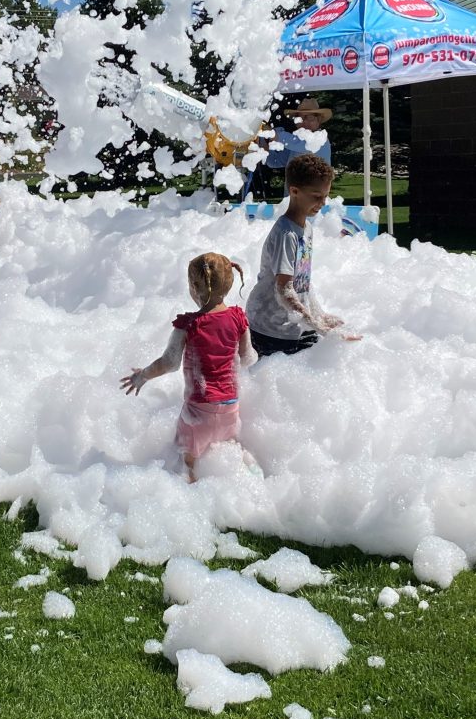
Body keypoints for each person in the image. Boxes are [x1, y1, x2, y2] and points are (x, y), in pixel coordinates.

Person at [121, 252, 257, 481]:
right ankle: (253, 477)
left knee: (187, 461)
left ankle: (190, 491)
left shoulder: (189, 325)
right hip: (230, 408)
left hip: (198, 412)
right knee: (230, 452)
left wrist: (142, 376)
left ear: (194, 287)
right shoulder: (237, 318)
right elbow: (246, 358)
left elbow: (169, 363)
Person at [245, 153, 355, 358]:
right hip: (270, 327)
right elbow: (284, 289)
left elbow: (302, 282)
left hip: (292, 322)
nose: (323, 202)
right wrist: (318, 326)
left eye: (325, 196)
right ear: (294, 191)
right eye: (316, 196)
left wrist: (320, 315)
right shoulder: (287, 235)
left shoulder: (306, 229)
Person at [250, 97, 333, 201]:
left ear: (319, 120)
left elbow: (292, 141)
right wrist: (262, 141)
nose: (304, 122)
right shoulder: (294, 144)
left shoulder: (320, 139)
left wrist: (273, 133)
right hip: (291, 205)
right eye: (300, 118)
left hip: (315, 205)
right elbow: (274, 162)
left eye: (310, 118)